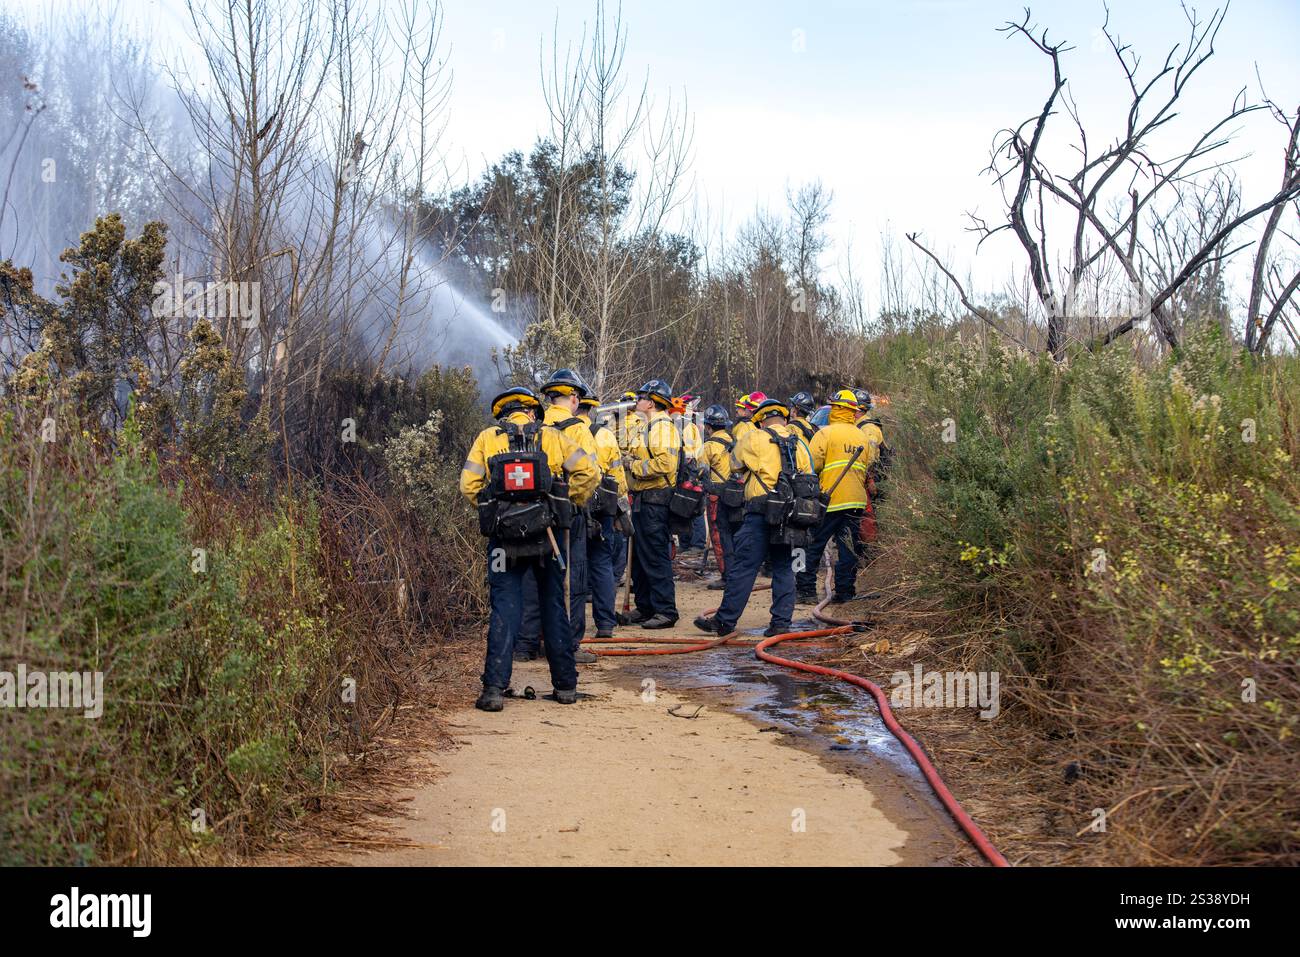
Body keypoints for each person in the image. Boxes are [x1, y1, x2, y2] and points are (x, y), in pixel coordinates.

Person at [458, 386, 598, 711]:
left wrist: (494, 512)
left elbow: (468, 485)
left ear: (503, 414)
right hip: (547, 537)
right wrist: (568, 502)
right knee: (553, 605)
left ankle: (493, 690)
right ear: (534, 412)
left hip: (502, 542)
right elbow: (588, 472)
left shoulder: (486, 439)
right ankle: (565, 687)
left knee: (505, 608)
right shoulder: (552, 436)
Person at [694, 398, 814, 638]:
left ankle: (725, 621)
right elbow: (808, 474)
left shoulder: (754, 437)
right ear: (785, 418)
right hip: (790, 515)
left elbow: (735, 465)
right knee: (784, 568)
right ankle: (781, 624)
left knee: (744, 567)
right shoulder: (799, 442)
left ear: (760, 420)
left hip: (760, 511)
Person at [796, 389, 877, 604]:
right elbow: (868, 466)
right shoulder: (861, 435)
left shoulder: (825, 434)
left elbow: (812, 465)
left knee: (812, 545)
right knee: (848, 549)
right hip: (856, 501)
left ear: (837, 409)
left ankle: (805, 591)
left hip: (829, 501)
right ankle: (845, 592)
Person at [620, 378, 681, 629]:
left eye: (642, 397)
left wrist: (633, 466)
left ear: (653, 402)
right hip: (643, 499)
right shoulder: (648, 426)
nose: (638, 400)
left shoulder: (662, 427)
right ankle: (645, 608)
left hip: (656, 500)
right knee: (641, 558)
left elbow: (666, 464)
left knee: (655, 557)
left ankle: (666, 611)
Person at [578, 393, 629, 644]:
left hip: (572, 506)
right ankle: (606, 624)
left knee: (571, 565)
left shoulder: (557, 432)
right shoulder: (605, 435)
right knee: (602, 564)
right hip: (602, 508)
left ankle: (568, 628)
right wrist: (621, 508)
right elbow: (618, 476)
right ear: (592, 410)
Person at [698, 403, 735, 590]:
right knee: (736, 535)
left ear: (708, 426)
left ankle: (726, 576)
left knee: (719, 536)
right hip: (736, 495)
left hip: (716, 496)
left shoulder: (708, 446)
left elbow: (700, 472)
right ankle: (737, 574)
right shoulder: (735, 441)